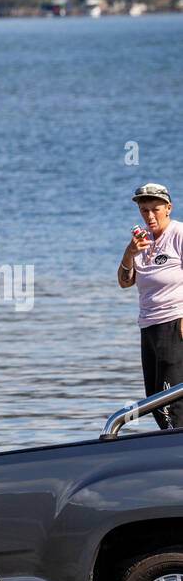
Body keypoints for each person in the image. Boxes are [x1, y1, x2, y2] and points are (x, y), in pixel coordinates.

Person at [118, 182, 183, 428]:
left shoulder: (179, 234)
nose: (149, 216)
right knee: (155, 400)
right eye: (144, 210)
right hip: (149, 326)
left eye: (155, 209)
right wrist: (129, 253)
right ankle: (170, 448)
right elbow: (125, 282)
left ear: (168, 208)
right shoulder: (140, 242)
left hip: (175, 323)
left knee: (172, 401)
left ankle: (174, 451)